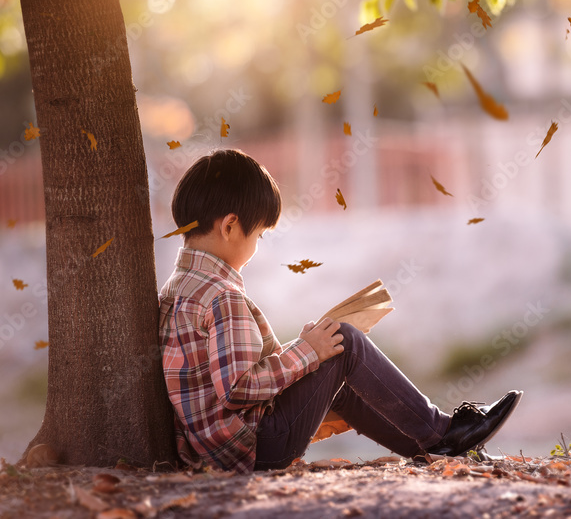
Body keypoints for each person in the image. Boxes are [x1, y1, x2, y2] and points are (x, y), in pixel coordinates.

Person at [158, 148, 522, 473]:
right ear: (230, 226)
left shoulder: (177, 289)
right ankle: (442, 431)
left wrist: (307, 352)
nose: (257, 246)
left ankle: (436, 448)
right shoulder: (223, 296)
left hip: (210, 450)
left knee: (334, 372)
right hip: (254, 448)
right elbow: (238, 388)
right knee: (343, 339)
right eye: (259, 235)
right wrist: (307, 351)